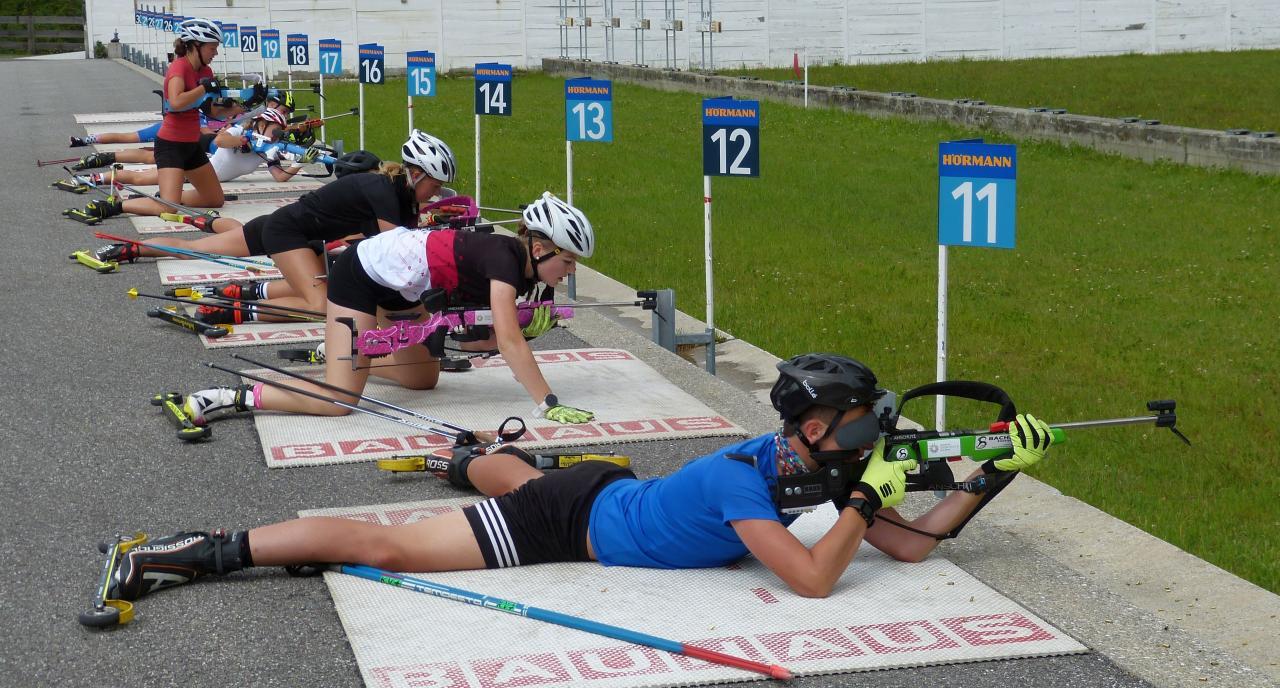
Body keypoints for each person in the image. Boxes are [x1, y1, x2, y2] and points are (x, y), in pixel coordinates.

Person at [99, 353, 1057, 604]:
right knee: (380, 544)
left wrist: (993, 473)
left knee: (514, 474)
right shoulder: (745, 483)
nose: (869, 442)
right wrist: (869, 493)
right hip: (570, 519)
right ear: (814, 430)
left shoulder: (802, 468)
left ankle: (464, 460)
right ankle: (198, 552)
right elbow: (813, 578)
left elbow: (911, 538)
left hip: (603, 486)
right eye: (859, 430)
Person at [179, 189, 598, 427]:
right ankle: (236, 396)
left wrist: (526, 332)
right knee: (339, 400)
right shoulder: (504, 262)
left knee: (422, 378)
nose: (569, 272)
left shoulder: (525, 271)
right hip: (360, 275)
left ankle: (342, 353)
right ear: (540, 248)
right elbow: (506, 342)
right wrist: (547, 401)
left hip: (402, 290)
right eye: (568, 262)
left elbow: (476, 342)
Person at [88, 131, 448, 318]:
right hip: (290, 233)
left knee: (197, 250)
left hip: (294, 230)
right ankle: (238, 310)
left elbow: (385, 241)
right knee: (323, 304)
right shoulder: (381, 188)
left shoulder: (403, 202)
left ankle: (132, 249)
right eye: (435, 185)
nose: (438, 192)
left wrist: (436, 225)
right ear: (415, 175)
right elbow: (394, 248)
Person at [76, 18, 226, 221]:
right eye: (212, 48)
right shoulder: (178, 68)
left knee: (214, 199)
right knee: (168, 209)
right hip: (171, 145)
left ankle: (165, 198)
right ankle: (115, 206)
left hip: (191, 145)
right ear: (195, 46)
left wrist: (246, 106)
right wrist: (204, 88)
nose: (215, 53)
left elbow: (211, 111)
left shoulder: (206, 72)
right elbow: (175, 102)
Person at [62, 109, 315, 189]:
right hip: (196, 164)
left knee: (148, 166)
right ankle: (91, 178)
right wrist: (245, 140)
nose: (275, 136)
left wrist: (301, 162)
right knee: (143, 176)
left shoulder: (266, 150)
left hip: (204, 178)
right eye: (274, 130)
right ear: (261, 124)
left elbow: (280, 177)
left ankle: (97, 172)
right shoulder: (242, 133)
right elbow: (221, 141)